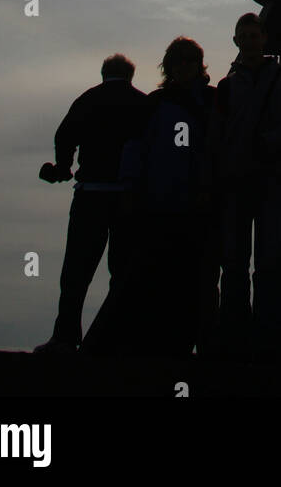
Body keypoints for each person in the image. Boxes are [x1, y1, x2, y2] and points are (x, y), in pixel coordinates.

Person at [82, 37, 215, 357]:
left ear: (199, 65)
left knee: (192, 282)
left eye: (189, 61)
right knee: (147, 277)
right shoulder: (155, 103)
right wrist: (130, 187)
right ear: (169, 67)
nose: (184, 67)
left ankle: (185, 347)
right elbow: (135, 147)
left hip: (197, 205)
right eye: (178, 62)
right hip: (156, 204)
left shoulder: (213, 101)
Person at [203, 13, 281, 363]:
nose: (249, 41)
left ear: (263, 38)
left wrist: (267, 143)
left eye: (253, 35)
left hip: (262, 181)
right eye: (244, 36)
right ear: (238, 41)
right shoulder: (232, 86)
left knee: (257, 264)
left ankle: (253, 341)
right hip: (247, 182)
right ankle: (251, 341)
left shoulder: (245, 83)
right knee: (245, 264)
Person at [34, 54, 147, 353]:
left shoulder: (88, 99)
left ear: (103, 73)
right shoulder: (143, 103)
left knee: (76, 273)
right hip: (127, 199)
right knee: (122, 273)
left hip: (91, 195)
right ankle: (119, 340)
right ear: (131, 75)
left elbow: (65, 134)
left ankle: (65, 337)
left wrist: (63, 167)